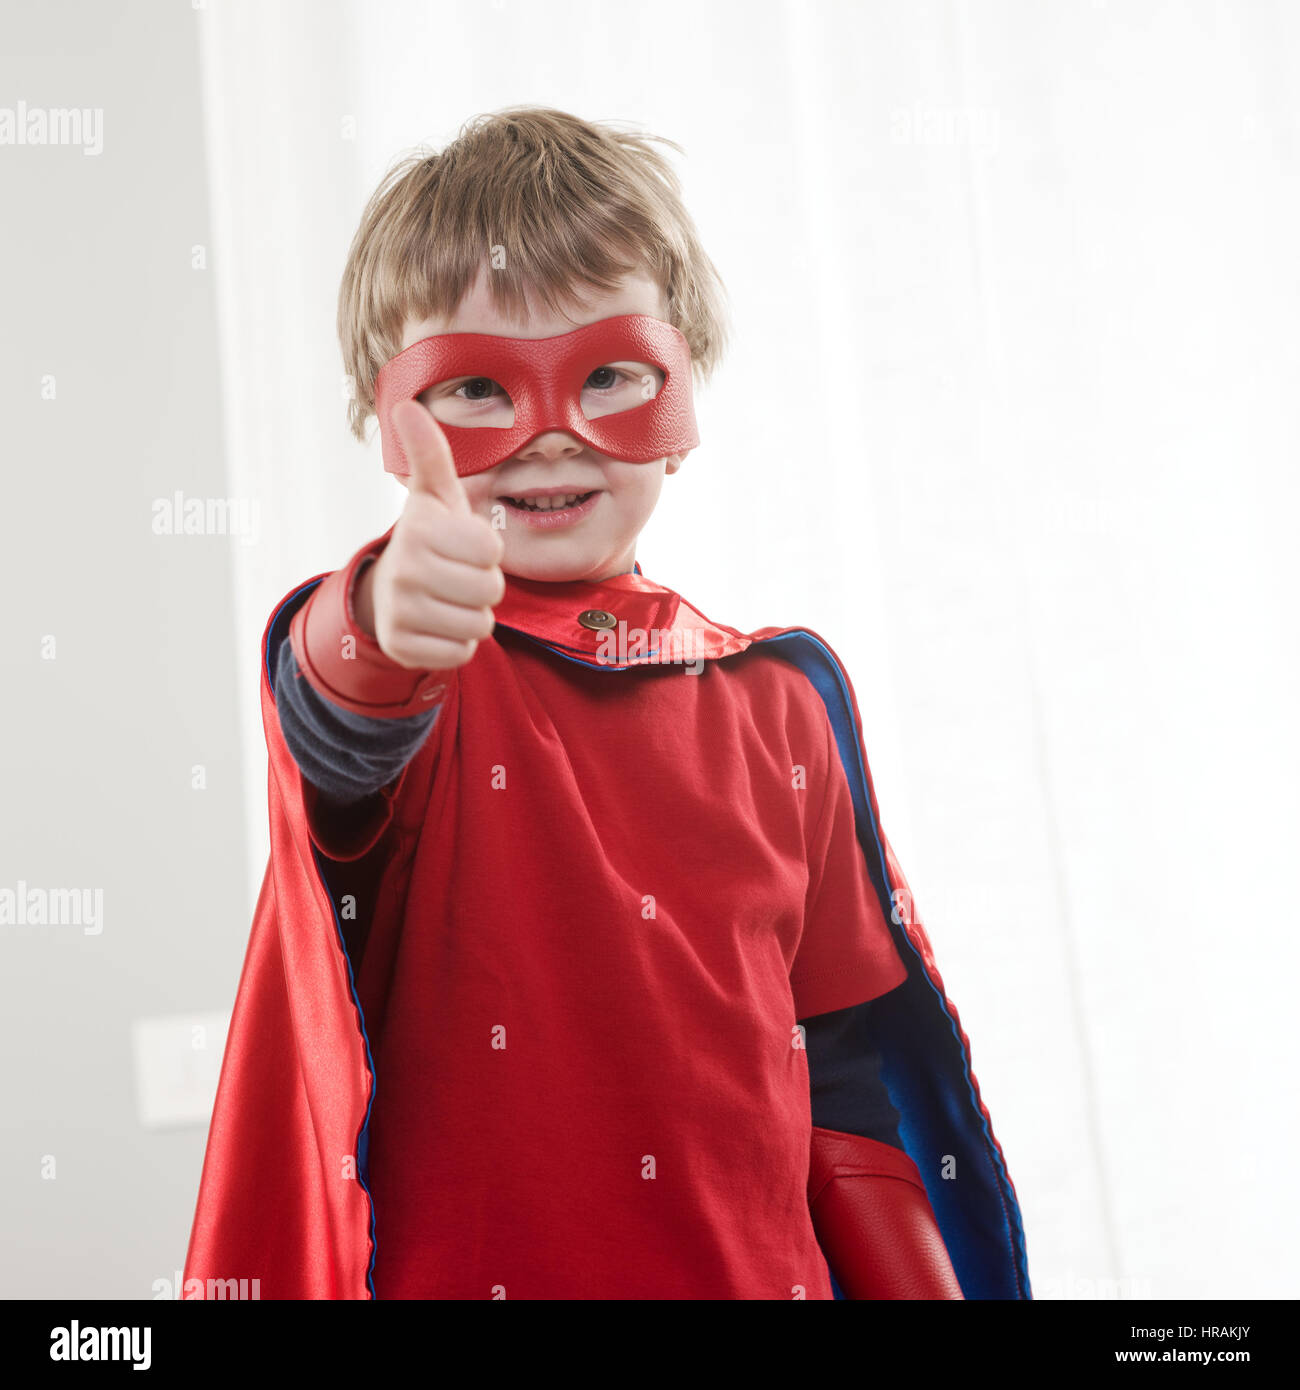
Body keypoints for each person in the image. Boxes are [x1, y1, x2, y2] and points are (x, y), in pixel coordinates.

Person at [183, 106, 1029, 1300]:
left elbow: (842, 1074)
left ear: (681, 398)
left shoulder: (778, 701)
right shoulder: (429, 668)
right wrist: (383, 618)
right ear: (389, 422)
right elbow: (338, 725)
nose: (549, 435)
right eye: (473, 387)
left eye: (609, 374)